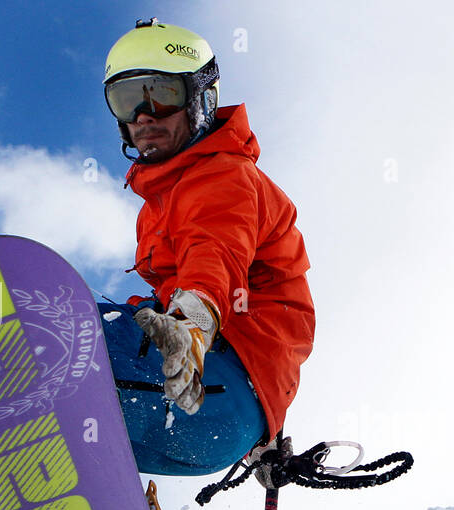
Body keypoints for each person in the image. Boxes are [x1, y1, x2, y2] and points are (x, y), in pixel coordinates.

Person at [99, 18, 315, 477]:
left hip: (209, 387)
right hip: (218, 423)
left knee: (56, 328)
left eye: (161, 94)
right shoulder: (162, 199)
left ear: (202, 98)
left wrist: (190, 324)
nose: (143, 115)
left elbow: (215, 253)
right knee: (77, 445)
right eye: (126, 99)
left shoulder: (222, 175)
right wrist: (266, 441)